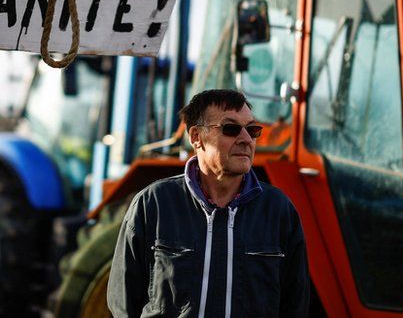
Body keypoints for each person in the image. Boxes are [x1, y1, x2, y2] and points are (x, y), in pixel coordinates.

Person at [108, 89, 309, 317]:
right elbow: (123, 303)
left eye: (252, 130)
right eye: (231, 128)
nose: (246, 139)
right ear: (196, 137)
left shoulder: (279, 211)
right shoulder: (153, 204)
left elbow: (295, 305)